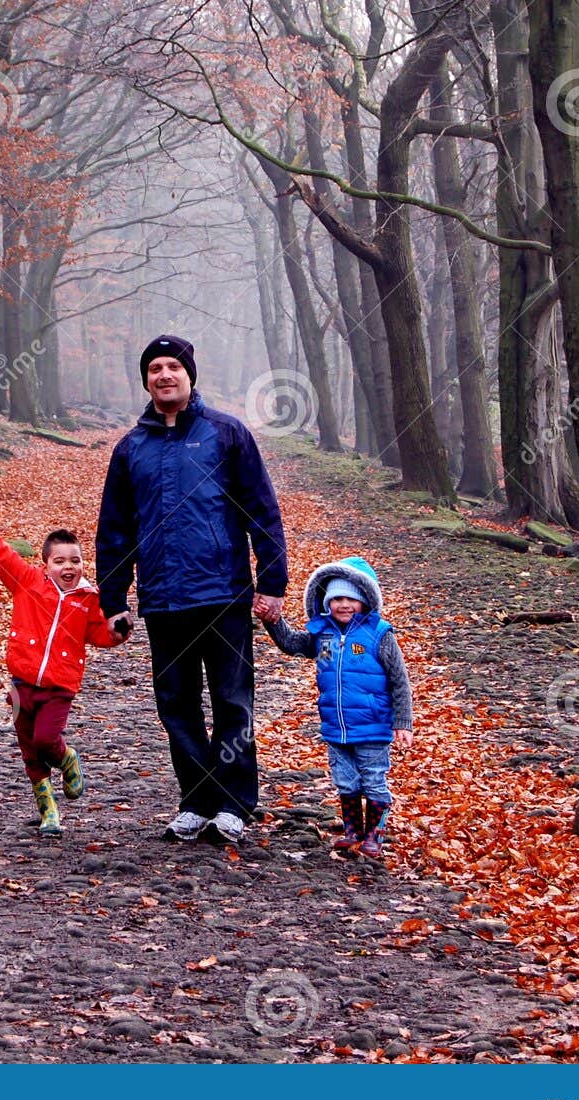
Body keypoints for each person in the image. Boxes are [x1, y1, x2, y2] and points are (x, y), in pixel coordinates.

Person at [95, 334, 289, 845]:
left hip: (223, 595)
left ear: (189, 374)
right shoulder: (130, 449)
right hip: (162, 599)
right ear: (146, 381)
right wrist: (113, 600)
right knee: (176, 704)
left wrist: (272, 582)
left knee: (231, 701)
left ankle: (234, 802)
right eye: (154, 368)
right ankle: (197, 800)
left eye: (172, 367)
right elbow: (114, 530)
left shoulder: (227, 435)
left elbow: (262, 511)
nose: (164, 375)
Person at [0, 499, 126, 836]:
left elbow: (100, 633)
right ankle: (48, 811)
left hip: (59, 686)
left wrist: (117, 633)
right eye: (59, 561)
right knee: (30, 751)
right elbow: (2, 555)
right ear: (46, 565)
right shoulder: (27, 582)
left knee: (45, 739)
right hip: (21, 683)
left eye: (76, 560)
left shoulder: (88, 599)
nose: (68, 567)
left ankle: (67, 757)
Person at [264, 556, 414, 858]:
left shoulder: (379, 635)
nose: (343, 605)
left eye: (350, 599)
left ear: (364, 601)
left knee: (373, 779)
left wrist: (403, 722)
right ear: (326, 602)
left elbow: (399, 680)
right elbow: (291, 643)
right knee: (345, 780)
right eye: (336, 599)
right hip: (335, 726)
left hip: (372, 725)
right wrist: (273, 621)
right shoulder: (324, 635)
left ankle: (374, 834)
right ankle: (352, 831)